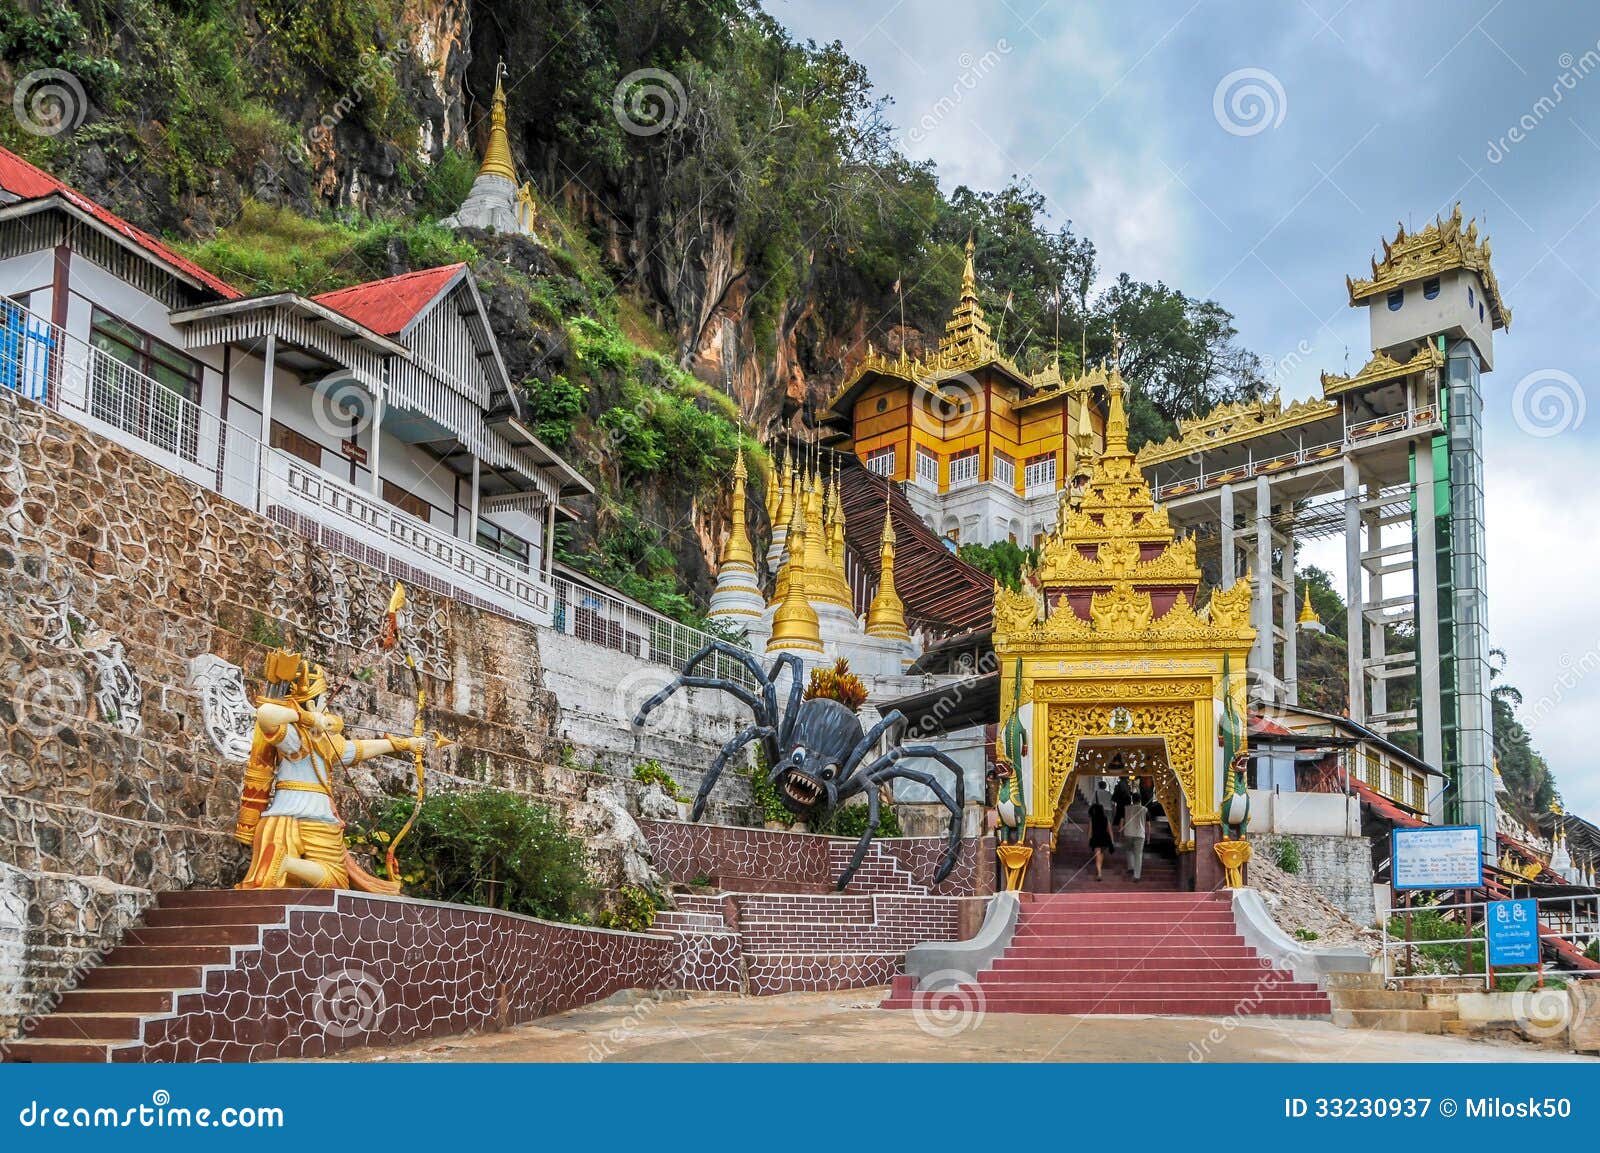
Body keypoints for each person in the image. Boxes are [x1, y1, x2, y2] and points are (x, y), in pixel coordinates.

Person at [1122, 793, 1148, 881]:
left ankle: (1131, 867)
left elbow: (1122, 820)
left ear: (1132, 799)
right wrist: (1149, 835)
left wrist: (1121, 831)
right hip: (1140, 834)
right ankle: (1137, 876)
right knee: (1138, 854)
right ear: (1140, 800)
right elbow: (1148, 824)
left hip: (1128, 832)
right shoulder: (1144, 809)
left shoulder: (1126, 808)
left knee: (1129, 850)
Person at [1087, 796, 1113, 881]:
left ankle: (1099, 873)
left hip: (1096, 838)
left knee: (1098, 854)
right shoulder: (1106, 819)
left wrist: (1089, 839)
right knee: (1101, 854)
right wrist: (1112, 841)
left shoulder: (1092, 819)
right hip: (1104, 838)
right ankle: (1099, 871)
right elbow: (1110, 830)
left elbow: (1090, 831)